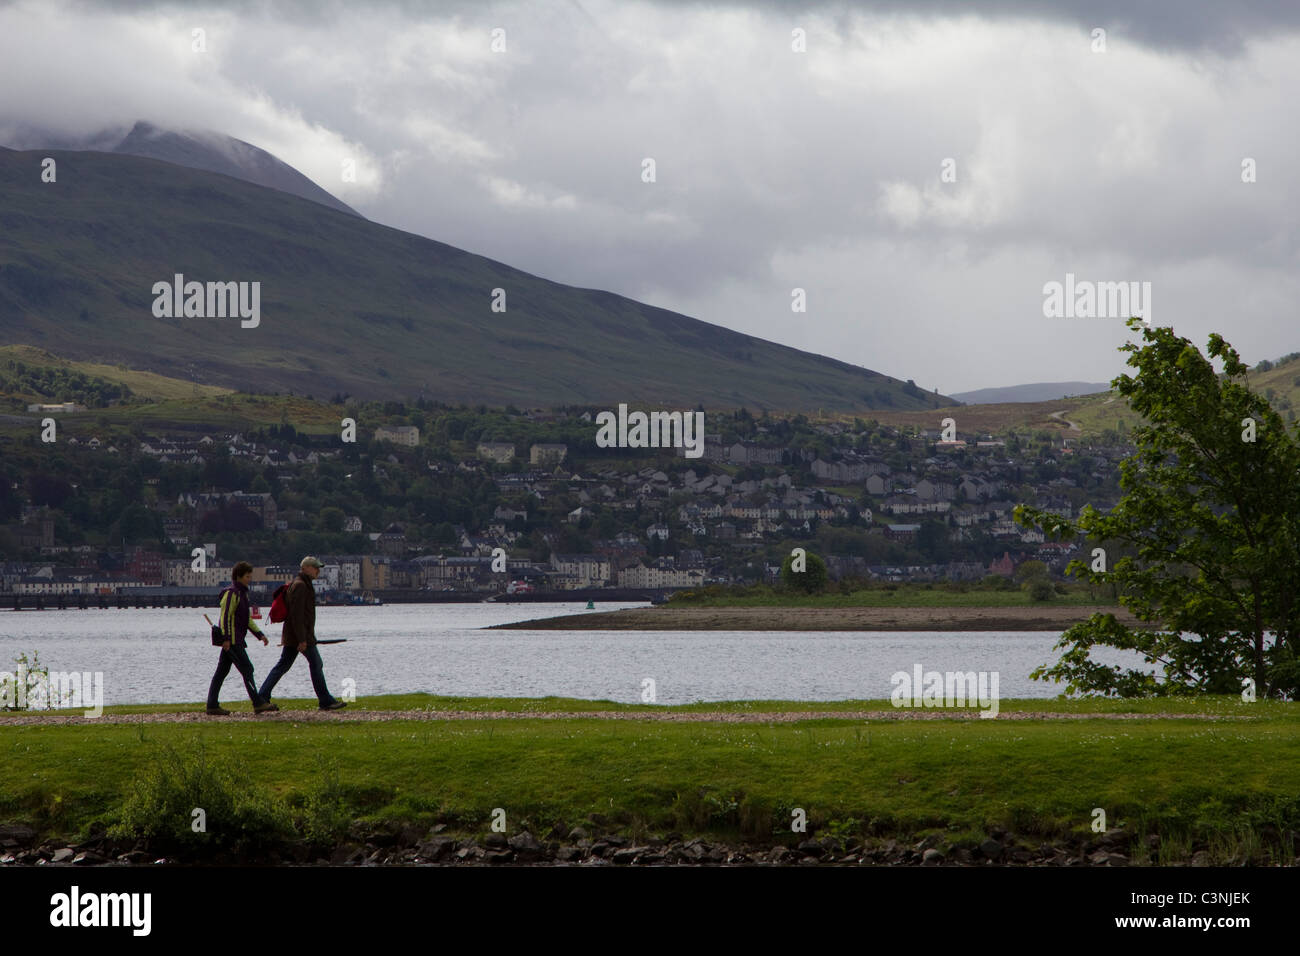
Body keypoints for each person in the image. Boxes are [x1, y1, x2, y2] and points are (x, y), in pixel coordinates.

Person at [258, 556, 346, 710]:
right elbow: (297, 615)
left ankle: (262, 697)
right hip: (300, 637)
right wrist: (302, 639)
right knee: (315, 663)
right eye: (315, 567)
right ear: (305, 568)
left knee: (283, 666)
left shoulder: (301, 584)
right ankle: (325, 700)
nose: (318, 570)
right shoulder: (301, 586)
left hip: (296, 636)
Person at [207, 562, 279, 715]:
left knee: (221, 672)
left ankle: (212, 704)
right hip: (232, 641)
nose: (250, 579)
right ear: (239, 576)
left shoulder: (242, 594)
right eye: (247, 576)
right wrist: (226, 639)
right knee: (247, 669)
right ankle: (258, 703)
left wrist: (259, 634)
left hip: (235, 639)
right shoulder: (232, 593)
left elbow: (246, 618)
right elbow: (225, 616)